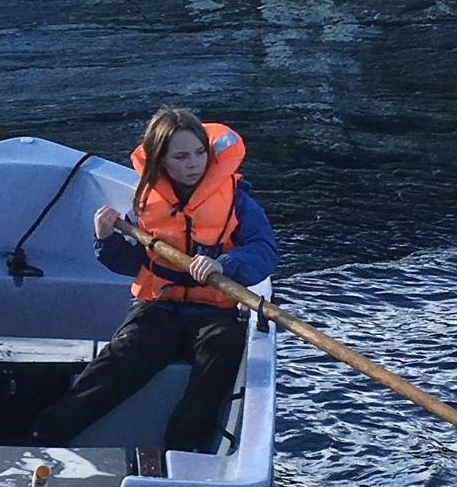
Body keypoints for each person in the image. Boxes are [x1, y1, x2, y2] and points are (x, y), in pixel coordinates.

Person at [27, 107, 278, 455]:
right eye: (181, 156)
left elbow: (265, 251)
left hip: (212, 313)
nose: (194, 163)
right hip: (158, 306)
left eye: (199, 153)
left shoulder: (237, 199)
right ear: (162, 161)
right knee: (123, 356)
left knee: (223, 347)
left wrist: (226, 264)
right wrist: (106, 239)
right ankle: (44, 435)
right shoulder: (146, 200)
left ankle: (184, 450)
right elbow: (133, 263)